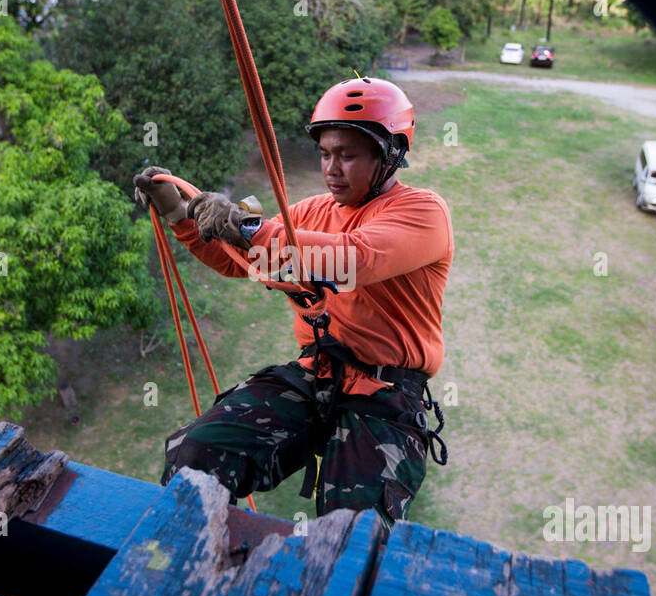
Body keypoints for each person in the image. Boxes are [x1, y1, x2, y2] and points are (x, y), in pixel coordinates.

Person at [133, 76, 453, 532]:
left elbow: (351, 260)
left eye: (348, 155)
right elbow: (239, 261)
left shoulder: (423, 212)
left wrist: (247, 227)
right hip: (315, 374)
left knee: (353, 532)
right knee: (194, 453)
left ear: (391, 155)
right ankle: (195, 567)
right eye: (326, 153)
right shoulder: (309, 213)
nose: (332, 168)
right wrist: (180, 217)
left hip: (384, 394)